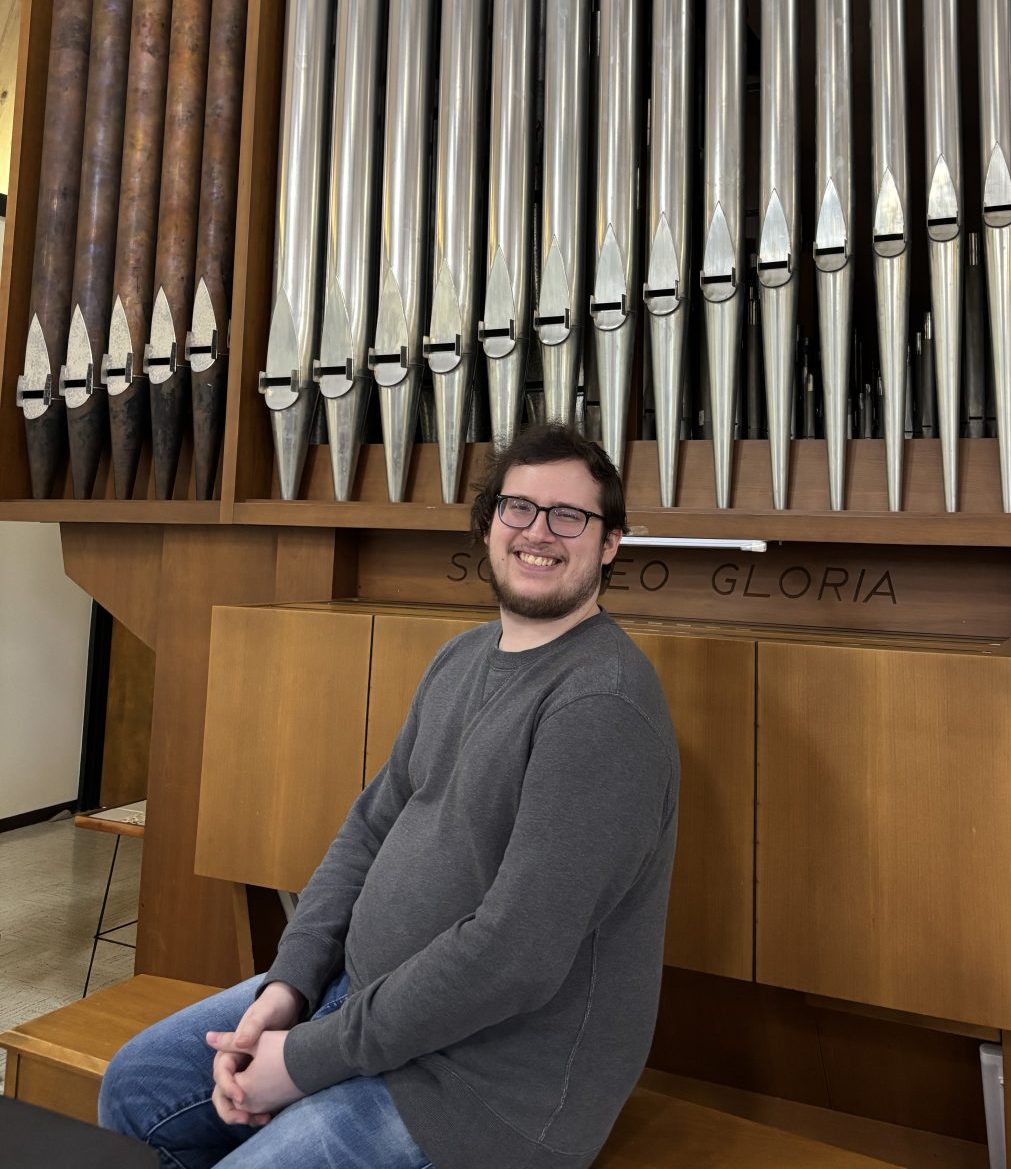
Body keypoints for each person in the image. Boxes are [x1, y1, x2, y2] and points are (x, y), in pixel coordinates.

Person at [99, 423, 681, 1169]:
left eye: (570, 516)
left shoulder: (603, 705)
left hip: (486, 1085)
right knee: (136, 1087)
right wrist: (289, 984)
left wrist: (304, 1059)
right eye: (518, 509)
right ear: (487, 526)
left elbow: (514, 957)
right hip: (359, 998)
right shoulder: (463, 657)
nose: (539, 533)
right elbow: (370, 828)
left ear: (610, 544)